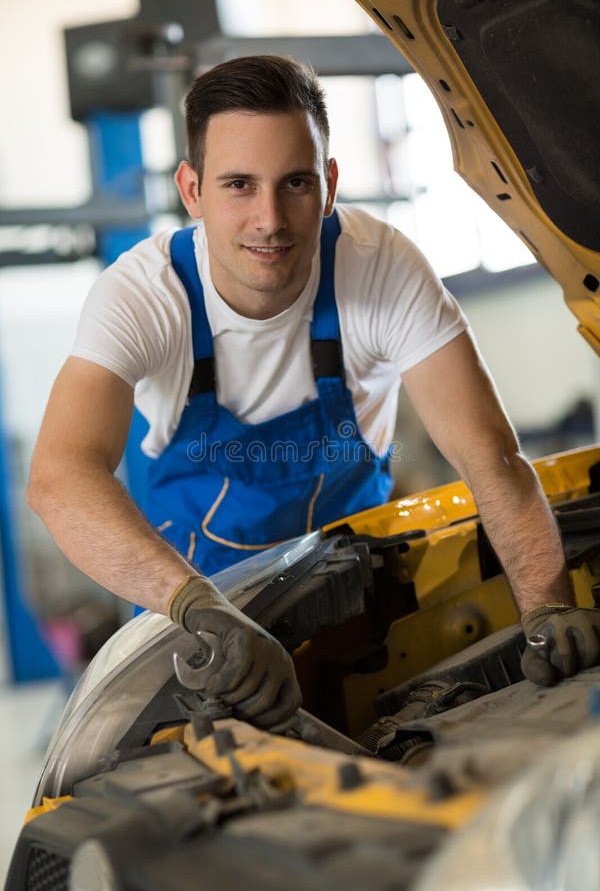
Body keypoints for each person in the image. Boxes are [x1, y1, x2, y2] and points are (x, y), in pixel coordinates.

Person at [28, 55, 600, 728]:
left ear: (328, 185)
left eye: (294, 183)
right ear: (191, 190)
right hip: (196, 625)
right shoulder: (144, 295)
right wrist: (200, 609)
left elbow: (490, 455)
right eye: (238, 184)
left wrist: (547, 607)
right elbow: (59, 478)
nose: (269, 219)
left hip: (362, 616)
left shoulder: (382, 268)